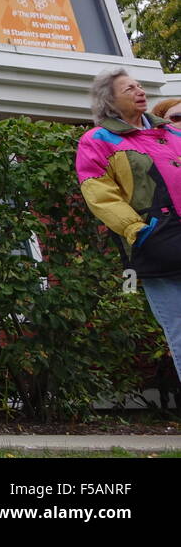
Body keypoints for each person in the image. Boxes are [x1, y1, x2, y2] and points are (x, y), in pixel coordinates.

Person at [76, 68, 181, 381]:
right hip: (157, 246)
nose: (139, 91)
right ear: (110, 102)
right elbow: (100, 194)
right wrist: (137, 230)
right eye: (129, 89)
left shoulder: (173, 134)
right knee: (179, 329)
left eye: (139, 86)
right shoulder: (98, 140)